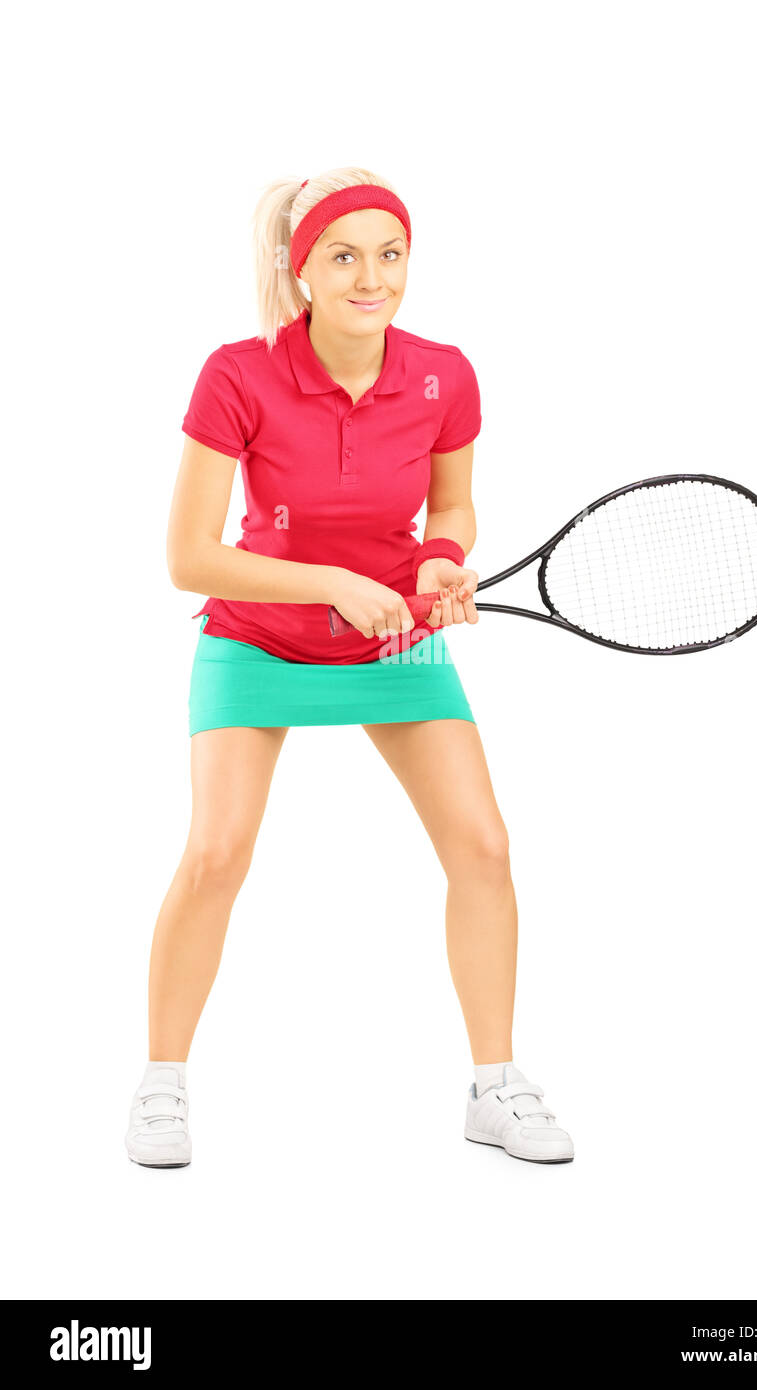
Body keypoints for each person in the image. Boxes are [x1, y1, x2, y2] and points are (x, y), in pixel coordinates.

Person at [125, 167, 573, 1168]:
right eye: (344, 256)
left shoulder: (443, 372)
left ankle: (494, 1085)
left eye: (389, 254)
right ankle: (161, 1083)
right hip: (254, 640)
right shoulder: (237, 373)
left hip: (395, 638)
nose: (372, 277)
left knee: (484, 848)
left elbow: (449, 509)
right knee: (216, 854)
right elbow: (187, 556)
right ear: (301, 271)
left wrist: (440, 561)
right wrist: (329, 580)